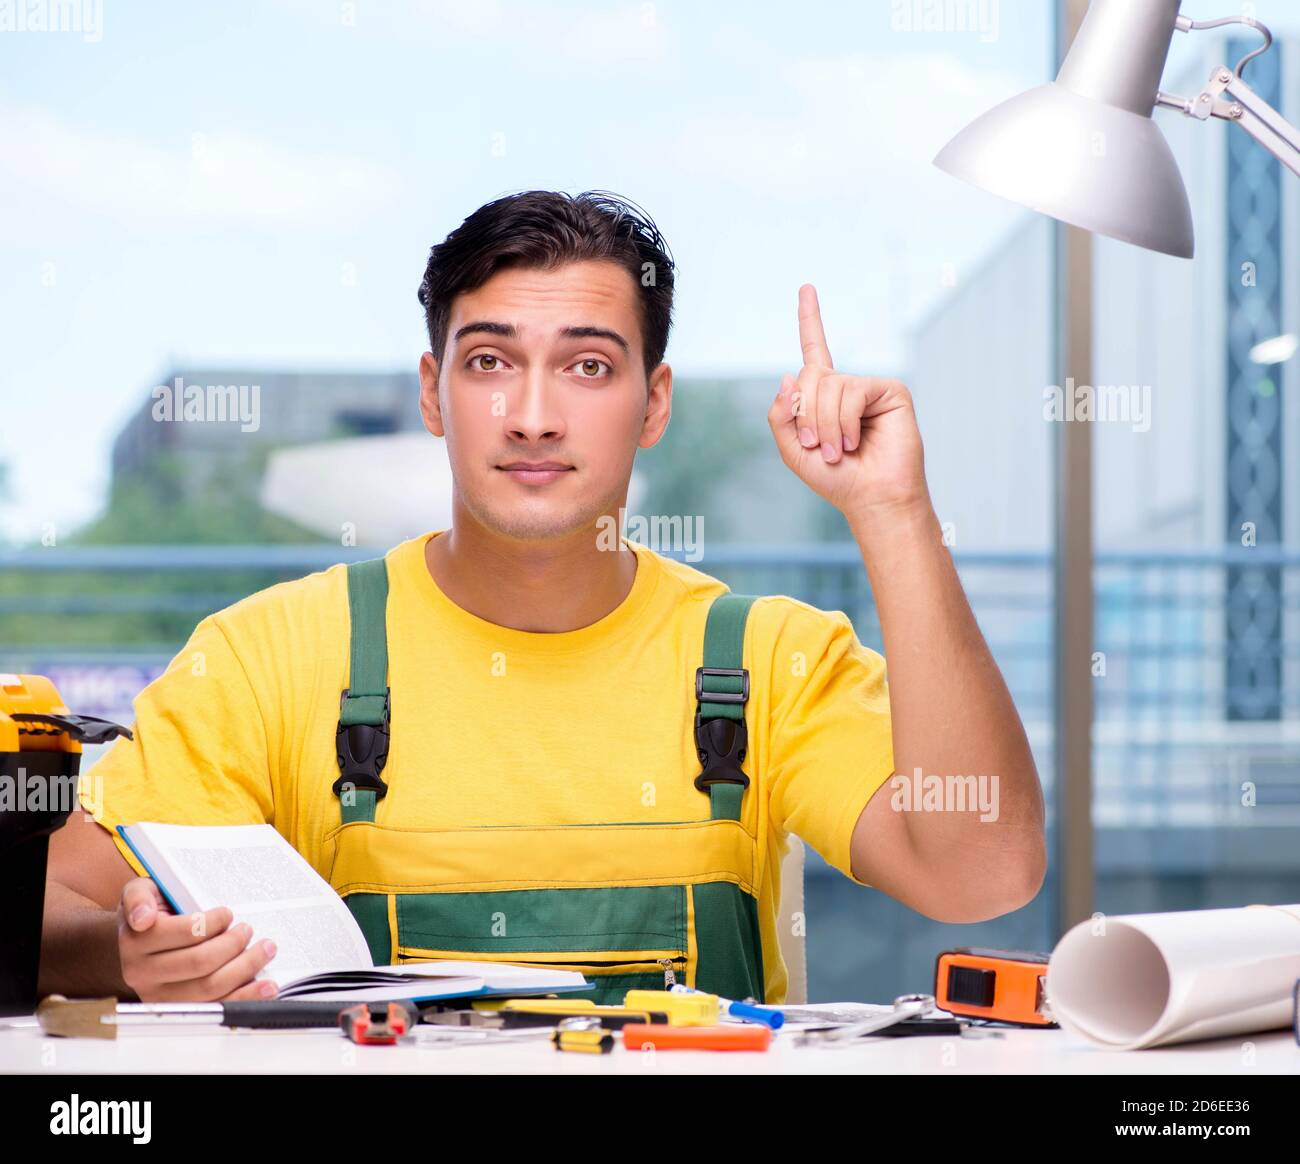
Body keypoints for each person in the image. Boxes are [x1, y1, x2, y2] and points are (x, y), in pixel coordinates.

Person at [42, 189, 1044, 1005]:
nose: (531, 417)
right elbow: (43, 909)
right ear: (434, 394)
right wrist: (119, 960)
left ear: (652, 403)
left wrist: (895, 512)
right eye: (490, 363)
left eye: (587, 366)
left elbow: (981, 874)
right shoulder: (272, 658)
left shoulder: (764, 661)